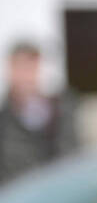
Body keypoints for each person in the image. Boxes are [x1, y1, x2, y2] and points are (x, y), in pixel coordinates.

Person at [0, 40, 79, 186]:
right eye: (20, 68)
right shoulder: (4, 119)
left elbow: (71, 156)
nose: (26, 76)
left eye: (30, 68)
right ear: (10, 70)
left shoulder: (60, 110)